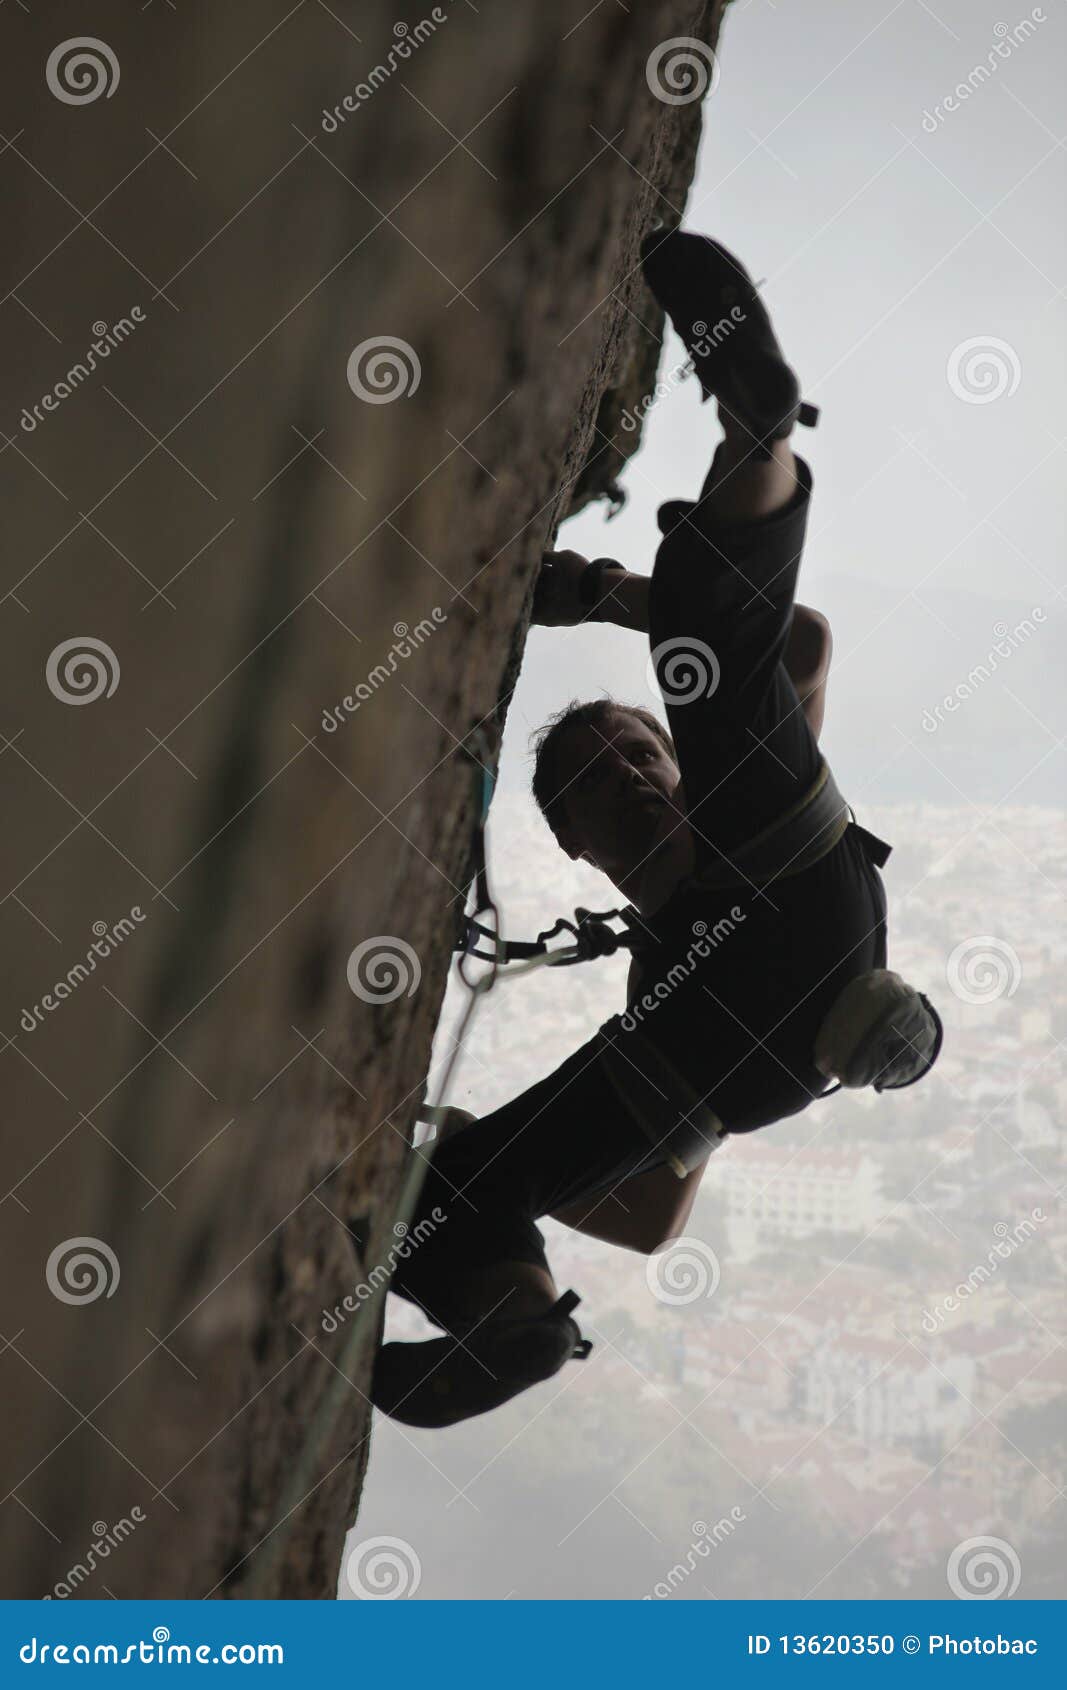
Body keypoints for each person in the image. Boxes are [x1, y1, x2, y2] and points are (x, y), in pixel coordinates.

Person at [371, 230, 939, 1429]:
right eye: (592, 777)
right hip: (746, 1049)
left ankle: (758, 430)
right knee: (434, 1198)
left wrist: (606, 598)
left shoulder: (729, 802)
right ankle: (517, 1322)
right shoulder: (660, 992)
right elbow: (647, 1218)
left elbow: (798, 647)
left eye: (637, 748)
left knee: (703, 617)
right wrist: (523, 1158)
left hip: (796, 911)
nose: (627, 769)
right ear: (572, 846)